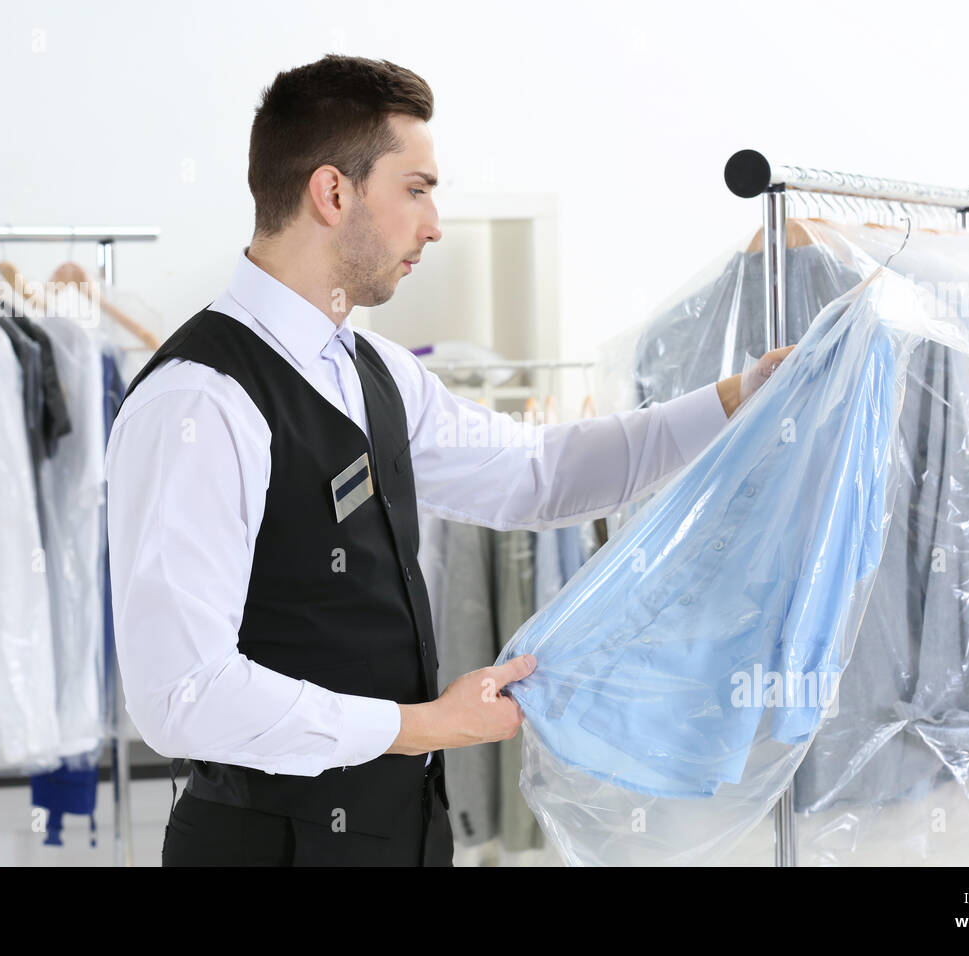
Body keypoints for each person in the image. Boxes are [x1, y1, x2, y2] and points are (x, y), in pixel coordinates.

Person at [104, 53, 795, 867]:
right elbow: (182, 696)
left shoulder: (378, 372)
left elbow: (537, 473)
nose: (434, 225)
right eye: (417, 189)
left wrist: (732, 401)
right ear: (333, 193)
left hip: (405, 835)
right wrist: (424, 725)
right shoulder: (200, 400)